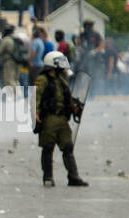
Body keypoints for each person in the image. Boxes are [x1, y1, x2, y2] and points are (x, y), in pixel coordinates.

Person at [33, 52, 88, 188]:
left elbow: (68, 98)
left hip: (63, 120)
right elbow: (35, 97)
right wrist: (35, 112)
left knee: (68, 147)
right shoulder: (42, 79)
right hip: (49, 119)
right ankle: (48, 177)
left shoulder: (62, 80)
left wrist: (74, 107)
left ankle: (73, 176)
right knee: (48, 148)